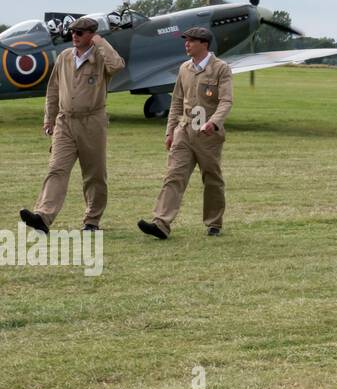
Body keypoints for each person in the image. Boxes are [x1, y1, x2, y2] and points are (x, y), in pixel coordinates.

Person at [19, 16, 126, 233]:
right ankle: (43, 216)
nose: (74, 37)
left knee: (94, 174)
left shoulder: (100, 57)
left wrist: (100, 42)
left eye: (80, 33)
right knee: (56, 169)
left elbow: (117, 65)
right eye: (72, 32)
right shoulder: (65, 57)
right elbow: (53, 90)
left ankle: (92, 221)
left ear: (91, 35)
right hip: (65, 122)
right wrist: (49, 118)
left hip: (92, 122)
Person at [138, 26, 234, 240]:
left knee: (211, 178)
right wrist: (169, 131)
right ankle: (161, 223)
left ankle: (214, 222)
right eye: (186, 40)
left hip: (208, 135)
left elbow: (226, 101)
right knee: (174, 175)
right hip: (184, 130)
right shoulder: (184, 68)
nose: (186, 44)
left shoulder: (221, 68)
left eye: (191, 40)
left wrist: (214, 123)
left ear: (204, 44)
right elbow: (177, 102)